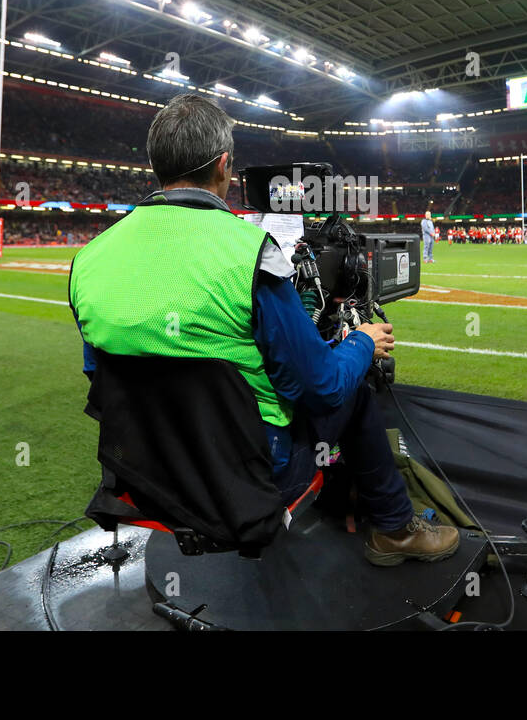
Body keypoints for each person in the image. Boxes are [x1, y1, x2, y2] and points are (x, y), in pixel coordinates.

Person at [69, 94, 458, 566]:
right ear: (224, 166)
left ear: (156, 166)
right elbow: (322, 387)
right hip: (252, 472)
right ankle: (393, 529)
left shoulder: (89, 258)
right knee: (352, 386)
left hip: (144, 469)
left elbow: (101, 381)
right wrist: (360, 342)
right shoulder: (248, 251)